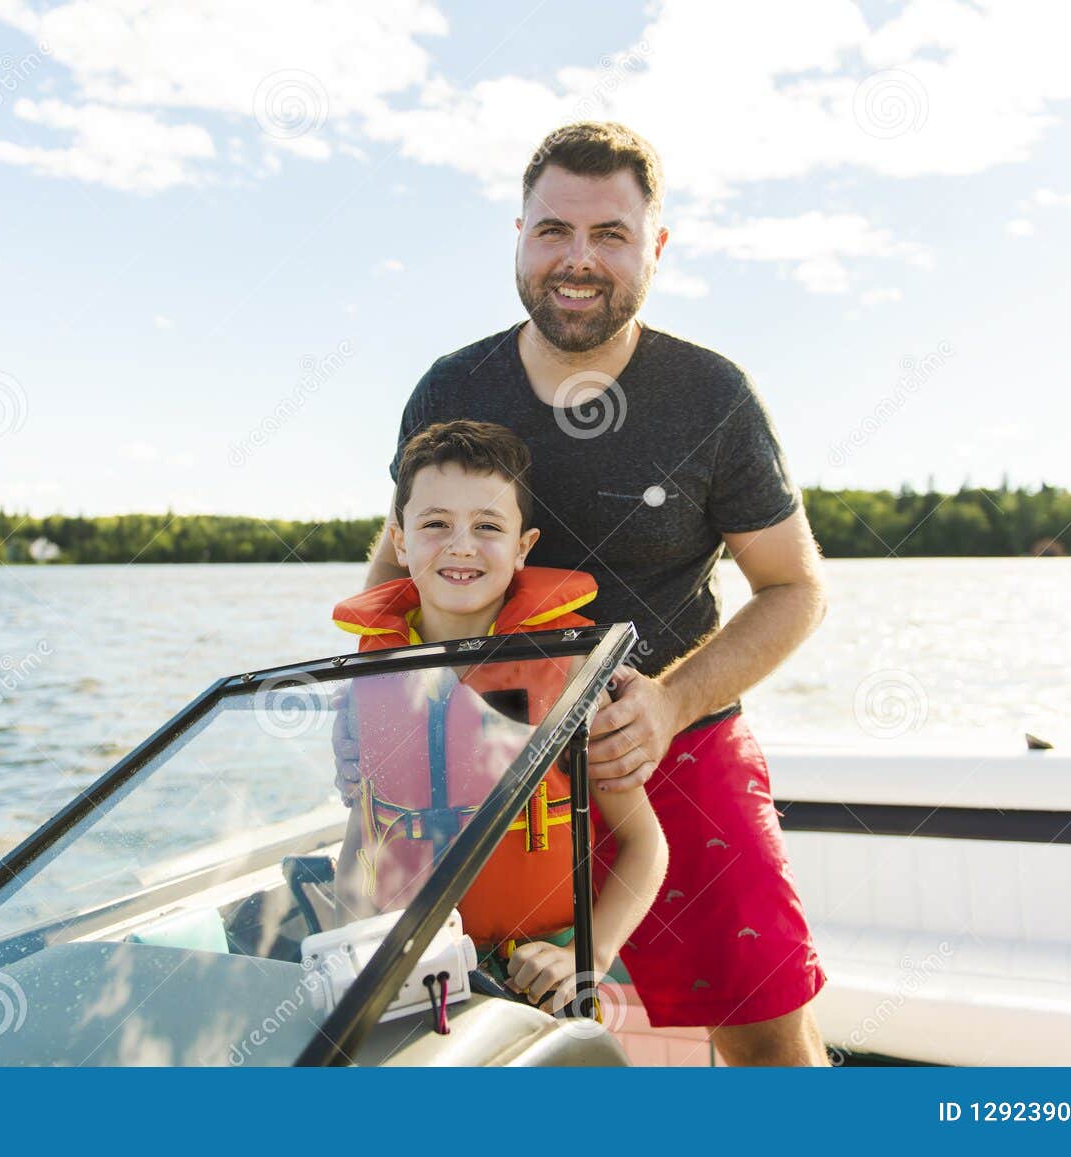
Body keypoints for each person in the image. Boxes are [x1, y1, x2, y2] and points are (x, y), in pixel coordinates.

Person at [337, 122, 830, 1065]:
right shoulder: (451, 387)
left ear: (656, 246)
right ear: (518, 233)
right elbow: (402, 550)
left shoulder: (713, 396)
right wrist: (365, 717)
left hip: (672, 744)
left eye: (610, 234)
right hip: (480, 762)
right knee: (470, 1029)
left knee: (769, 1029)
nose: (577, 260)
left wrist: (670, 699)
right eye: (553, 231)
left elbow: (795, 587)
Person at [330, 419, 667, 1012]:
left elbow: (646, 845)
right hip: (406, 971)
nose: (461, 545)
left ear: (523, 548)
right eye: (435, 524)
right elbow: (363, 835)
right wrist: (348, 951)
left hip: (541, 974)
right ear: (399, 541)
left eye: (487, 526)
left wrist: (587, 956)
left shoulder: (571, 675)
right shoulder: (371, 676)